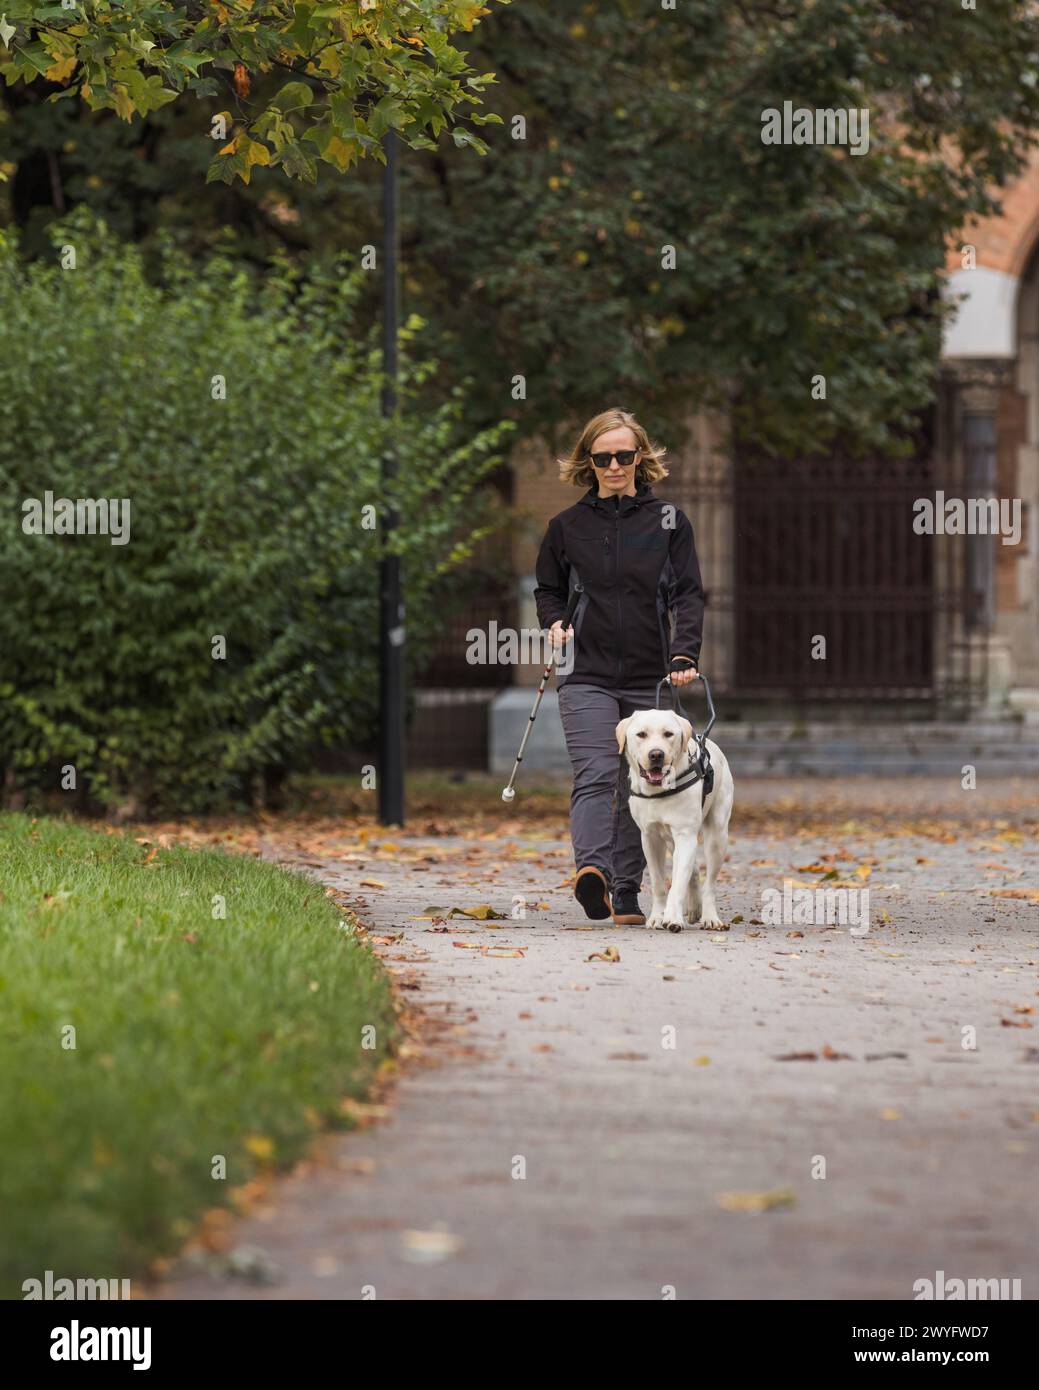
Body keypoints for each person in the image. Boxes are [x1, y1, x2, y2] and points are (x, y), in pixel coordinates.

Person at [533, 407, 705, 924]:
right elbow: (548, 588)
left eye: (623, 456)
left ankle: (627, 891)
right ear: (589, 462)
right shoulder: (566, 527)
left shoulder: (669, 522)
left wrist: (684, 653)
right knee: (596, 772)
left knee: (643, 775)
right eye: (603, 457)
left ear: (639, 458)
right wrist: (555, 620)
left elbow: (689, 594)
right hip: (586, 672)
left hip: (650, 673)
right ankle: (594, 874)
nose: (613, 466)